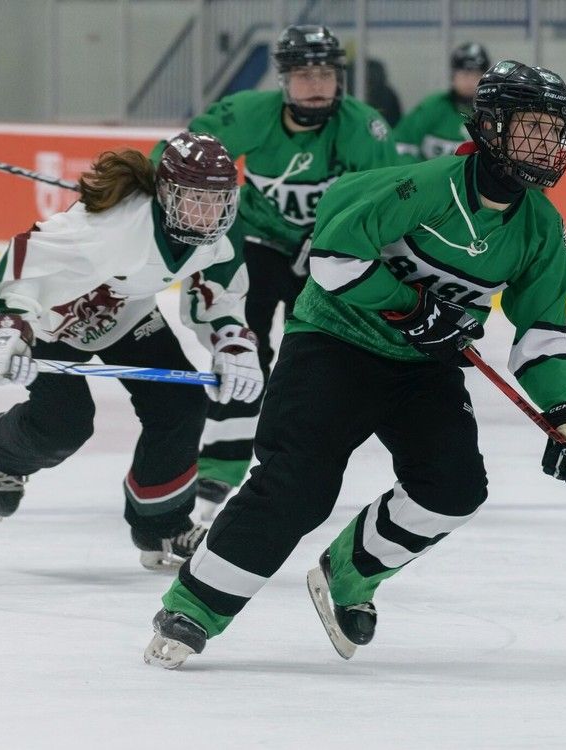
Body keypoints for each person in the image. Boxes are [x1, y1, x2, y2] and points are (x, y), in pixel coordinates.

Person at [143, 60, 566, 668]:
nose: (546, 144)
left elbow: (543, 331)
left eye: (555, 130)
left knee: (455, 488)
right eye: (531, 128)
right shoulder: (423, 187)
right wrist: (413, 304)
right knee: (298, 486)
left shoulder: (542, 231)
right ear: (492, 127)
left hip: (422, 366)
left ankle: (350, 573)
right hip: (333, 342)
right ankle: (195, 607)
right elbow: (334, 262)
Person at [0, 132, 264, 571]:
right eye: (194, 198)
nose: (209, 213)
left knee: (181, 403)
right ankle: (4, 455)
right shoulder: (112, 226)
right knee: (67, 423)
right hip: (48, 319)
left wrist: (231, 340)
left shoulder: (218, 230)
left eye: (218, 198)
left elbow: (217, 292)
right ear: (167, 193)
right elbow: (24, 254)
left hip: (123, 313)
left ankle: (161, 522)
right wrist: (11, 325)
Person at [153, 25, 398, 521]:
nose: (316, 84)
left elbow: (386, 201)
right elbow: (178, 154)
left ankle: (287, 466)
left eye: (326, 73)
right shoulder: (246, 113)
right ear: (283, 80)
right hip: (261, 243)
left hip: (329, 255)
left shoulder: (363, 127)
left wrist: (336, 238)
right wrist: (139, 181)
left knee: (312, 361)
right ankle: (220, 465)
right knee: (243, 345)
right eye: (304, 73)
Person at [393, 42, 490, 163]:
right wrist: (420, 176)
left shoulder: (492, 113)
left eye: (476, 75)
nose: (470, 81)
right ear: (453, 76)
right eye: (465, 74)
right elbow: (401, 145)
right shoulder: (432, 107)